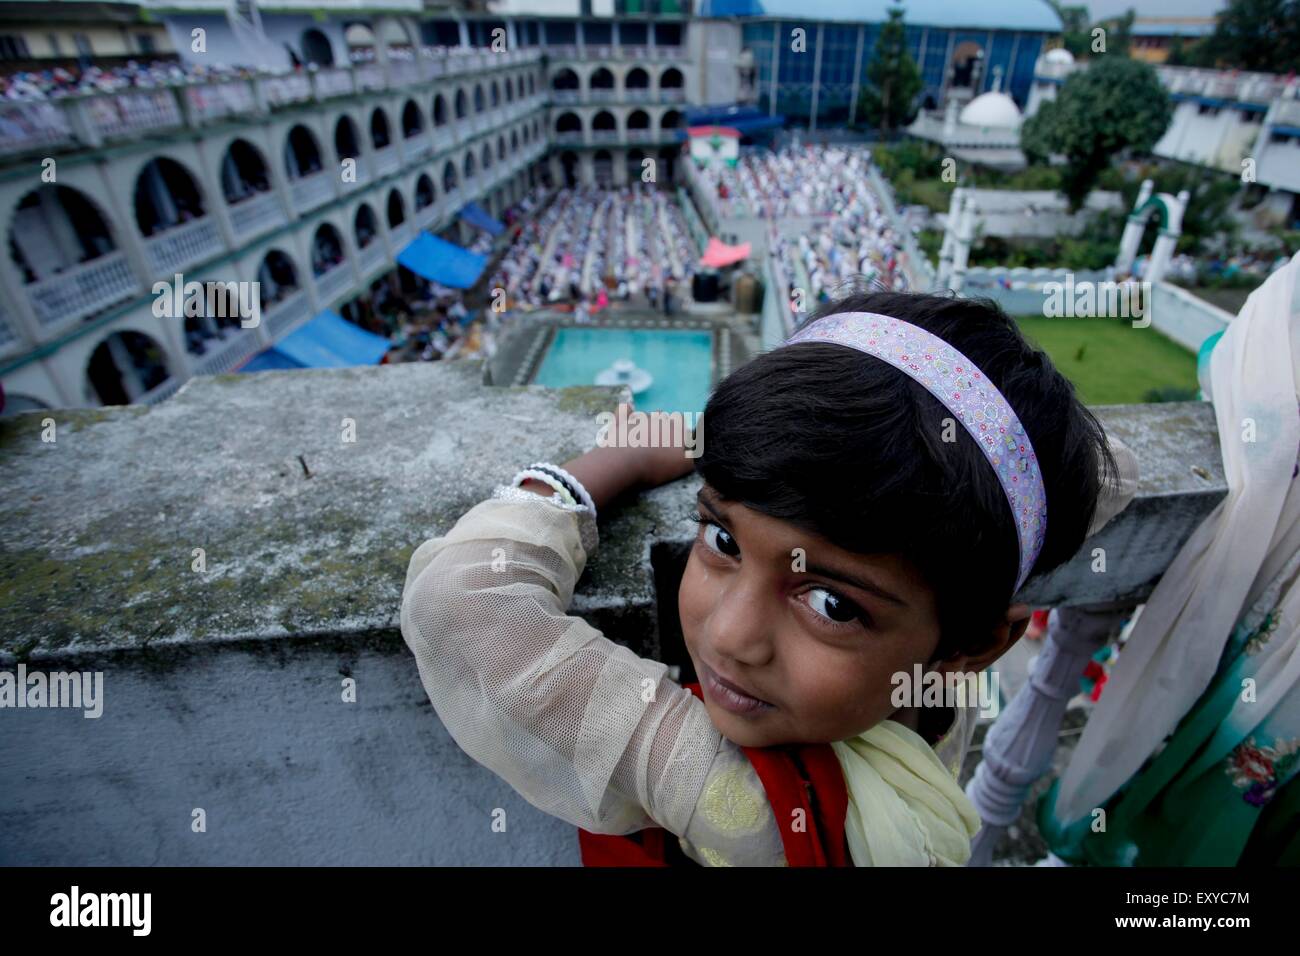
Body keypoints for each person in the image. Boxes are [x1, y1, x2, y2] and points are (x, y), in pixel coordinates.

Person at [400, 290, 1121, 866]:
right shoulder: (931, 708)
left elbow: (456, 605)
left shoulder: (752, 811)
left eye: (833, 604)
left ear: (972, 646)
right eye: (721, 538)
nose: (731, 634)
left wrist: (595, 471)